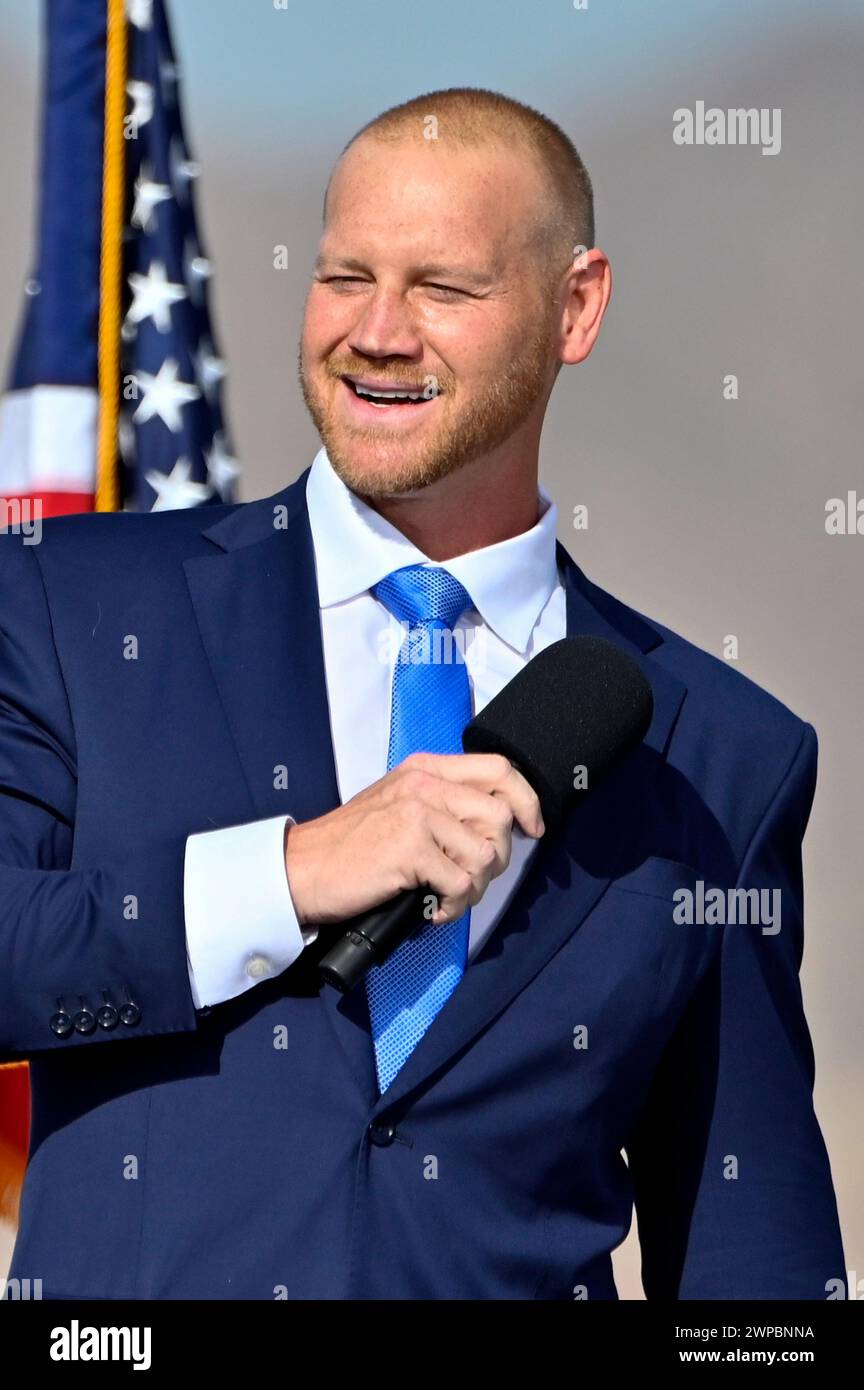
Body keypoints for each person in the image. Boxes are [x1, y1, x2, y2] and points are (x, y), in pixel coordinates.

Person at [0, 87, 844, 1300]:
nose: (378, 332)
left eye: (443, 289)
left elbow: (747, 1241)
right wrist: (290, 874)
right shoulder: (74, 607)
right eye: (346, 276)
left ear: (577, 306)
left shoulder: (722, 755)